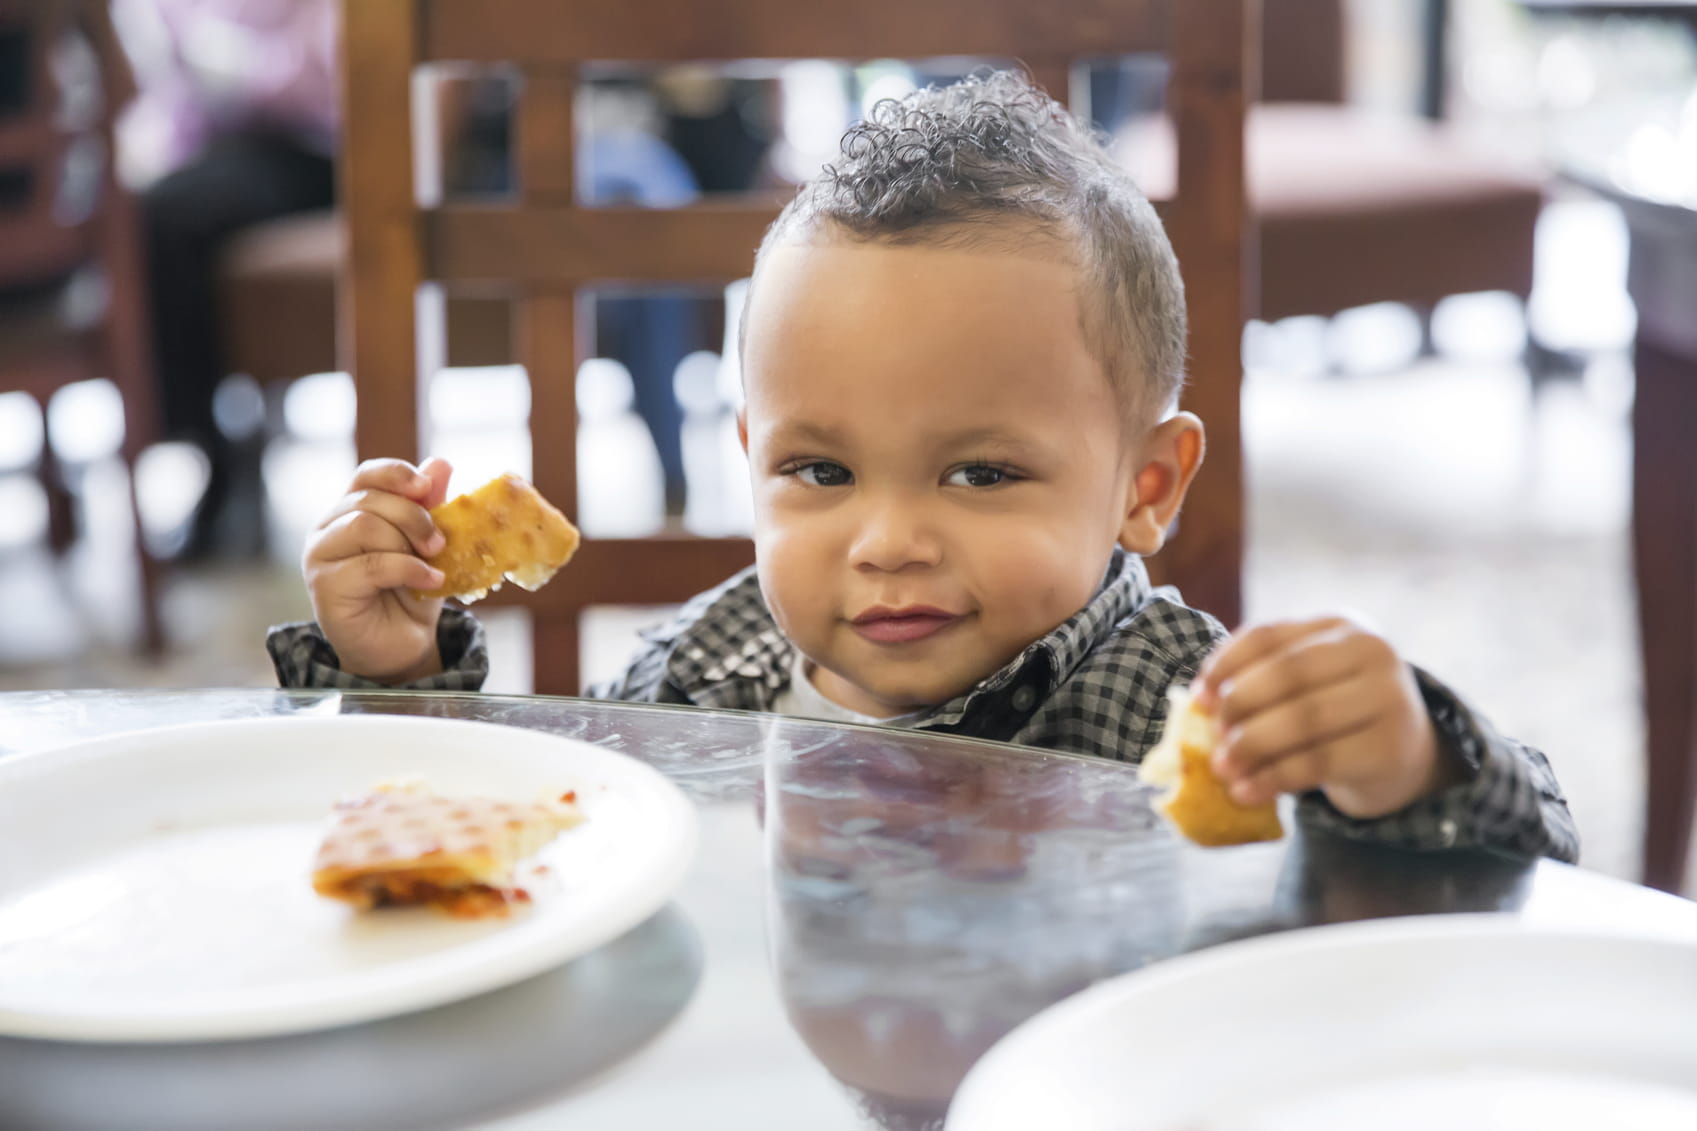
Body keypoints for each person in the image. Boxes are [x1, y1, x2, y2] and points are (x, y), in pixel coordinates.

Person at [269, 71, 1577, 864]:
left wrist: (1405, 761)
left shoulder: (1170, 694)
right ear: (750, 460)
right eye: (820, 471)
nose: (886, 539)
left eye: (981, 474)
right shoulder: (705, 668)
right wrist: (399, 678)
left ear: (1146, 486)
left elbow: (1514, 867)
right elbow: (529, 839)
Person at [117, 0, 338, 556]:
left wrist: (245, 73)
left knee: (169, 221)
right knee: (139, 216)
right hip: (209, 158)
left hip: (308, 151)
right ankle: (210, 441)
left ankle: (217, 449)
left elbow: (327, 80)